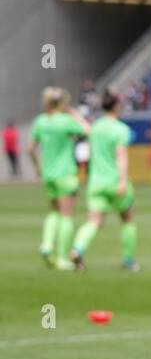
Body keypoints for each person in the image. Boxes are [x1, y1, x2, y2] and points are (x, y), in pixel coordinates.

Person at [70, 91, 139, 272]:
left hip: (96, 182)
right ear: (116, 106)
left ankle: (77, 249)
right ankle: (128, 260)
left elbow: (85, 127)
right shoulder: (120, 129)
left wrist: (75, 114)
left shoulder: (96, 127)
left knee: (94, 222)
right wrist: (123, 180)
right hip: (115, 181)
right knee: (128, 219)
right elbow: (121, 156)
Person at [27, 88, 87, 269]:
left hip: (48, 175)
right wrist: (76, 115)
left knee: (53, 212)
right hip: (66, 174)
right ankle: (61, 257)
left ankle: (46, 245)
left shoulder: (40, 121)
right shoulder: (65, 121)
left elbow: (30, 148)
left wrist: (37, 168)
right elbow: (87, 130)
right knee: (67, 215)